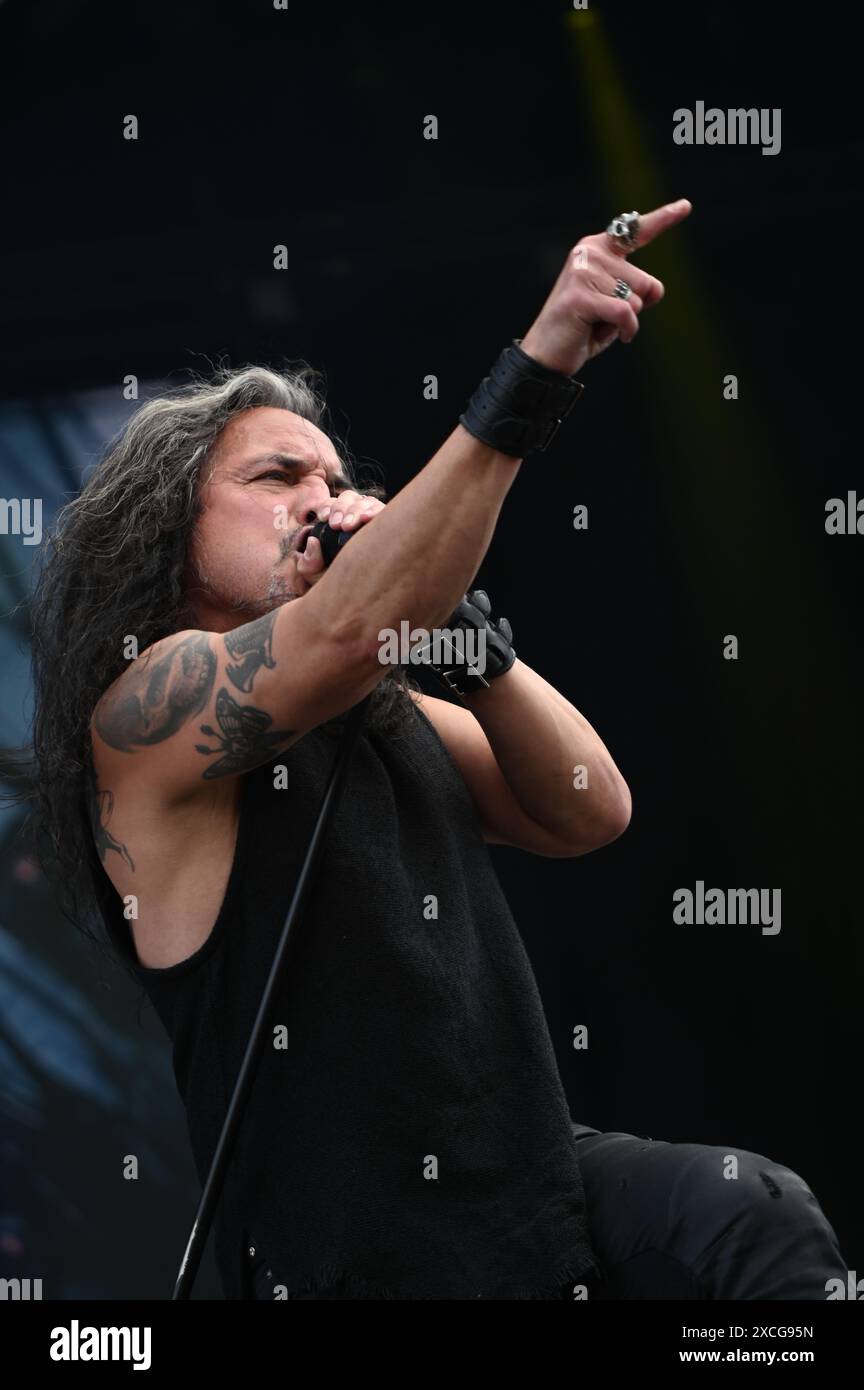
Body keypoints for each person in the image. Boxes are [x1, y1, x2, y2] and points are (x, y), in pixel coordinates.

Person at [27, 200, 849, 1299]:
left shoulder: (389, 706)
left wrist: (467, 641)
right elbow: (346, 628)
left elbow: (586, 806)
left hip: (531, 1174)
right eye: (276, 480)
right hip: (355, 1244)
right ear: (167, 527)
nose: (321, 501)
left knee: (751, 1212)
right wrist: (541, 362)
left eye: (332, 480)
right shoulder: (148, 713)